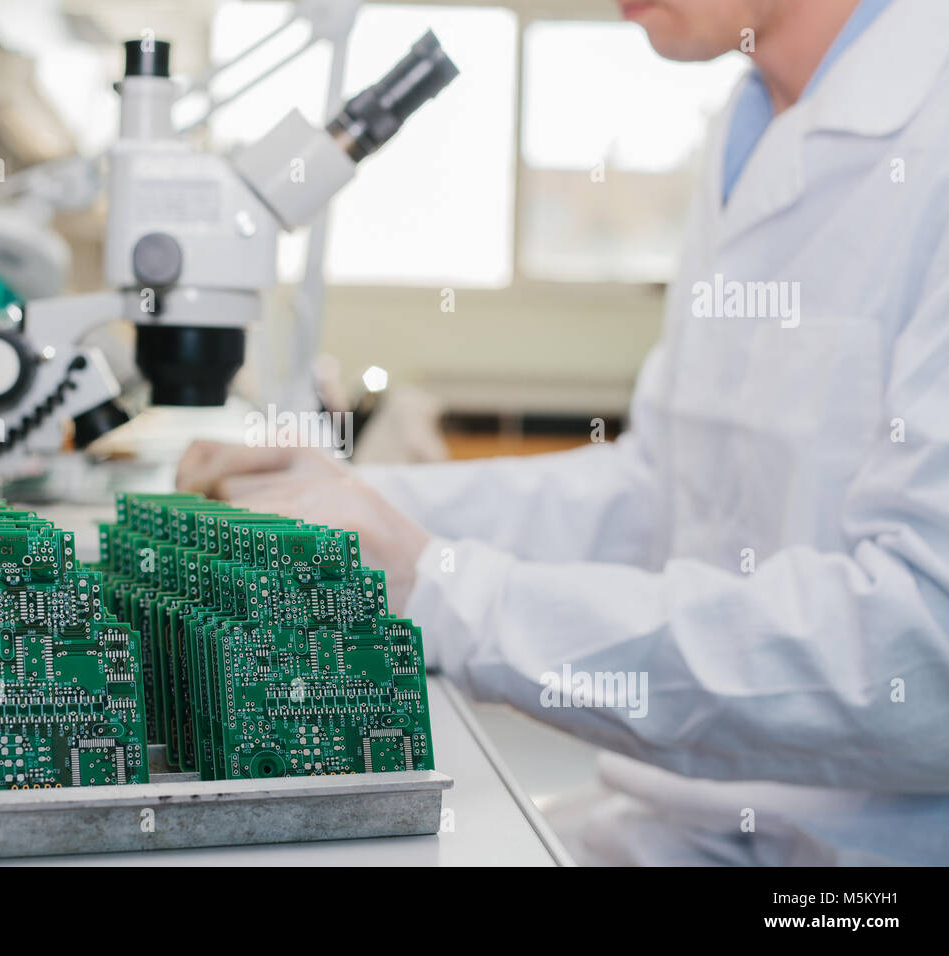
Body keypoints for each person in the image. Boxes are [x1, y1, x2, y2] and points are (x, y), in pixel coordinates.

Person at [175, 0, 949, 865]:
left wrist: (452, 596)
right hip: (676, 824)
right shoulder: (750, 119)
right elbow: (662, 489)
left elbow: (922, 656)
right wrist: (352, 505)